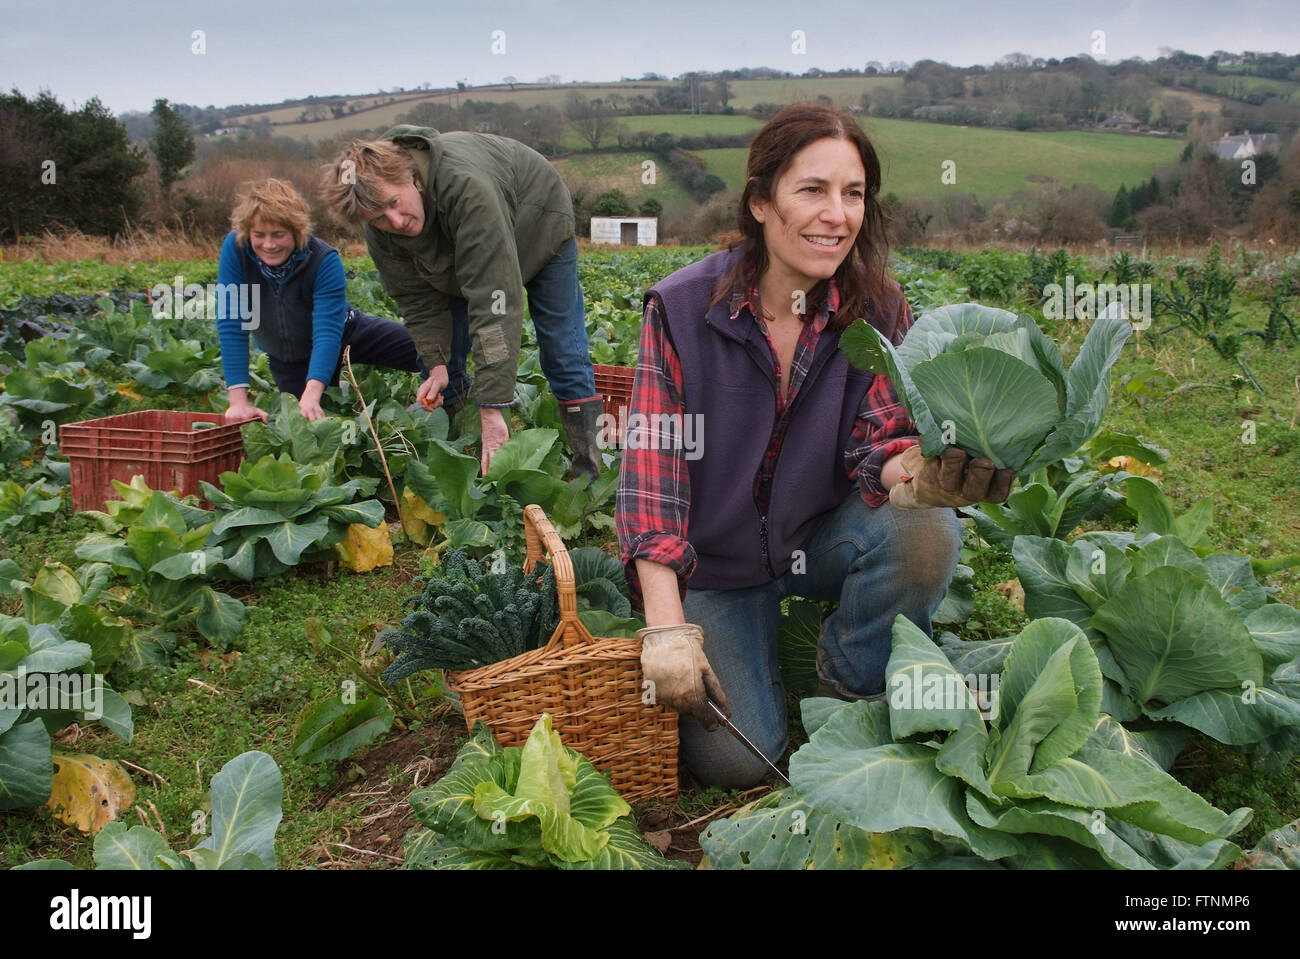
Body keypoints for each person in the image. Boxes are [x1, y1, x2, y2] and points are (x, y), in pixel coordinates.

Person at [615, 103, 1014, 789]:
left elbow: (883, 441)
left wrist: (922, 476)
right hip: (719, 565)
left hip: (818, 536)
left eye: (852, 193)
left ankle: (852, 685)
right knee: (739, 760)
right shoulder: (682, 311)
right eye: (812, 190)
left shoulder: (880, 310)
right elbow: (655, 473)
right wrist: (665, 628)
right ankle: (749, 644)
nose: (837, 214)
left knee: (926, 529)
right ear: (762, 202)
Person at [323, 126, 602, 481]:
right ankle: (465, 461)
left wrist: (493, 407)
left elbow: (494, 302)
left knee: (562, 350)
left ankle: (588, 472)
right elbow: (415, 299)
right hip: (457, 256)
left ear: (410, 177)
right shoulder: (382, 228)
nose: (395, 222)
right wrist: (436, 363)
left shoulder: (466, 188)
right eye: (379, 218)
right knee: (441, 366)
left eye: (395, 204)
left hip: (539, 226)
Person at [215, 178, 433, 424]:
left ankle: (455, 394)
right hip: (290, 360)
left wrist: (313, 391)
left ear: (297, 232)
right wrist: (239, 402)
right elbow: (231, 321)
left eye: (278, 235)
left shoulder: (322, 259)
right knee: (309, 428)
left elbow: (327, 332)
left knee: (427, 349)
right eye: (259, 235)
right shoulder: (236, 251)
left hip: (347, 333)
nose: (269, 244)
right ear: (248, 233)